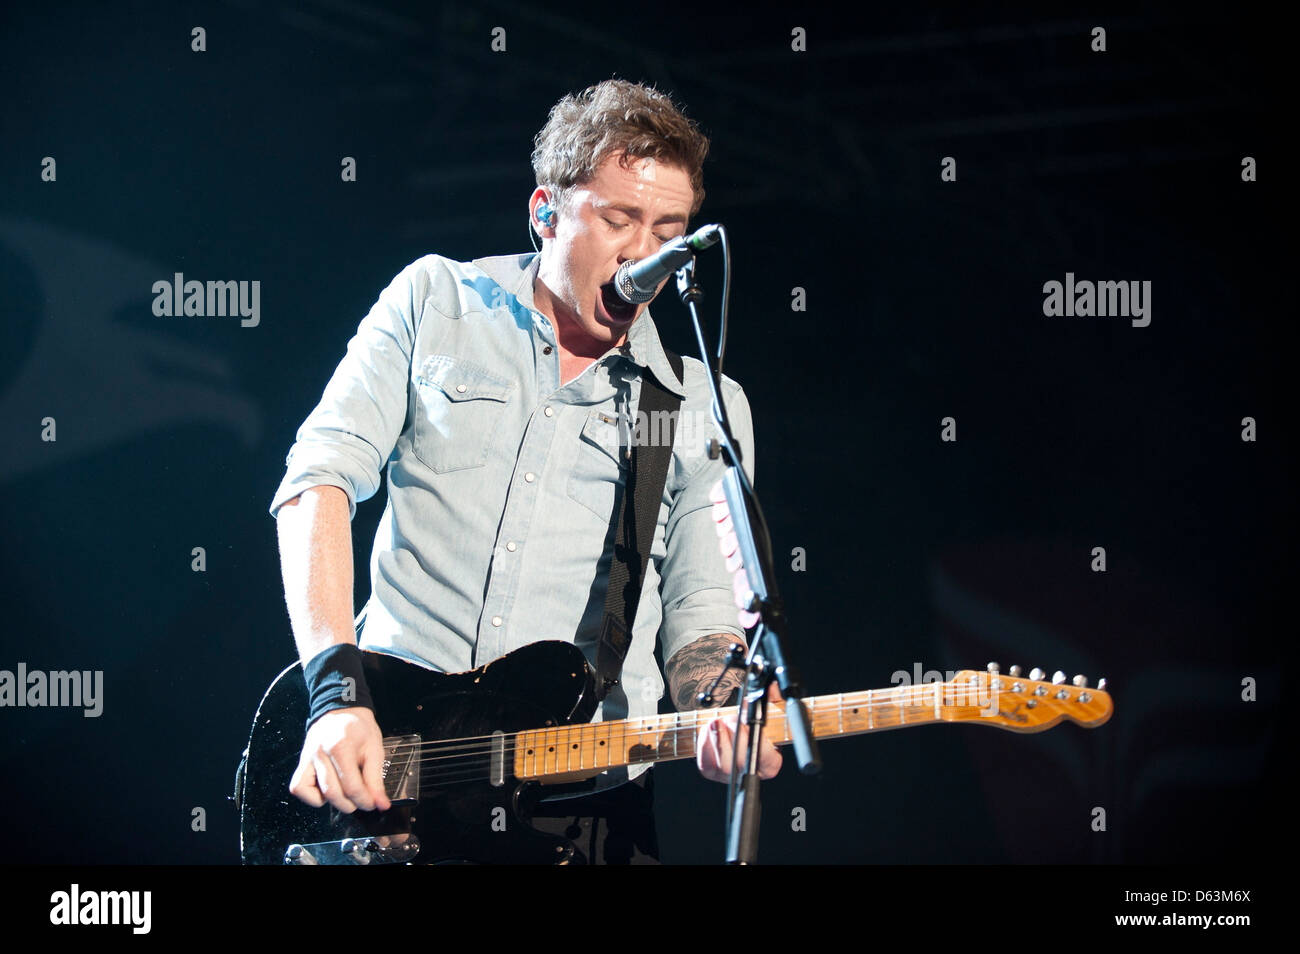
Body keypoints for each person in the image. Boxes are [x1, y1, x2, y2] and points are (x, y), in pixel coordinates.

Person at [269, 79, 780, 864]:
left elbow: (703, 607)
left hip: (586, 809)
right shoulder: (437, 301)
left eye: (669, 230)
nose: (644, 252)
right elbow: (318, 480)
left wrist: (721, 704)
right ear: (545, 211)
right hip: (385, 782)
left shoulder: (699, 402)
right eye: (619, 219)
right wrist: (336, 697)